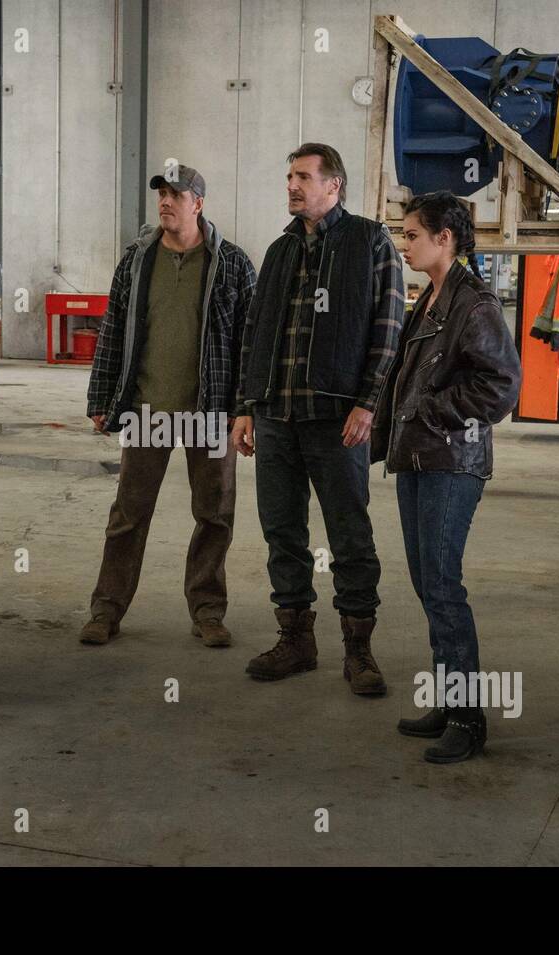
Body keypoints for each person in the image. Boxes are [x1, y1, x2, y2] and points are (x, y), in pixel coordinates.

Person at [231, 143, 405, 696]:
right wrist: (244, 405)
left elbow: (389, 327)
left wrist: (369, 402)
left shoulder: (368, 241)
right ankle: (297, 641)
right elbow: (255, 332)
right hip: (276, 414)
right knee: (282, 531)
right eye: (288, 176)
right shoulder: (280, 251)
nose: (292, 185)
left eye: (303, 176)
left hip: (336, 418)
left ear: (334, 186)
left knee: (349, 533)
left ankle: (358, 650)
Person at [369, 191, 521, 762]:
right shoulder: (433, 298)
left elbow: (500, 385)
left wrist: (429, 414)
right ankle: (448, 696)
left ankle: (467, 717)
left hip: (452, 462)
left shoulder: (473, 304)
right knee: (427, 581)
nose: (405, 244)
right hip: (419, 457)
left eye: (411, 235)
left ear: (445, 239)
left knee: (441, 583)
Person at [82, 164, 257, 647]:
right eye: (161, 194)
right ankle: (106, 610)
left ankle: (207, 612)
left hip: (211, 411)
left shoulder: (233, 265)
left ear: (198, 203)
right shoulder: (136, 261)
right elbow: (113, 331)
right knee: (128, 514)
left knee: (214, 515)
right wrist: (101, 398)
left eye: (177, 195)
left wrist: (245, 409)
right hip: (147, 410)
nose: (165, 202)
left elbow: (250, 343)